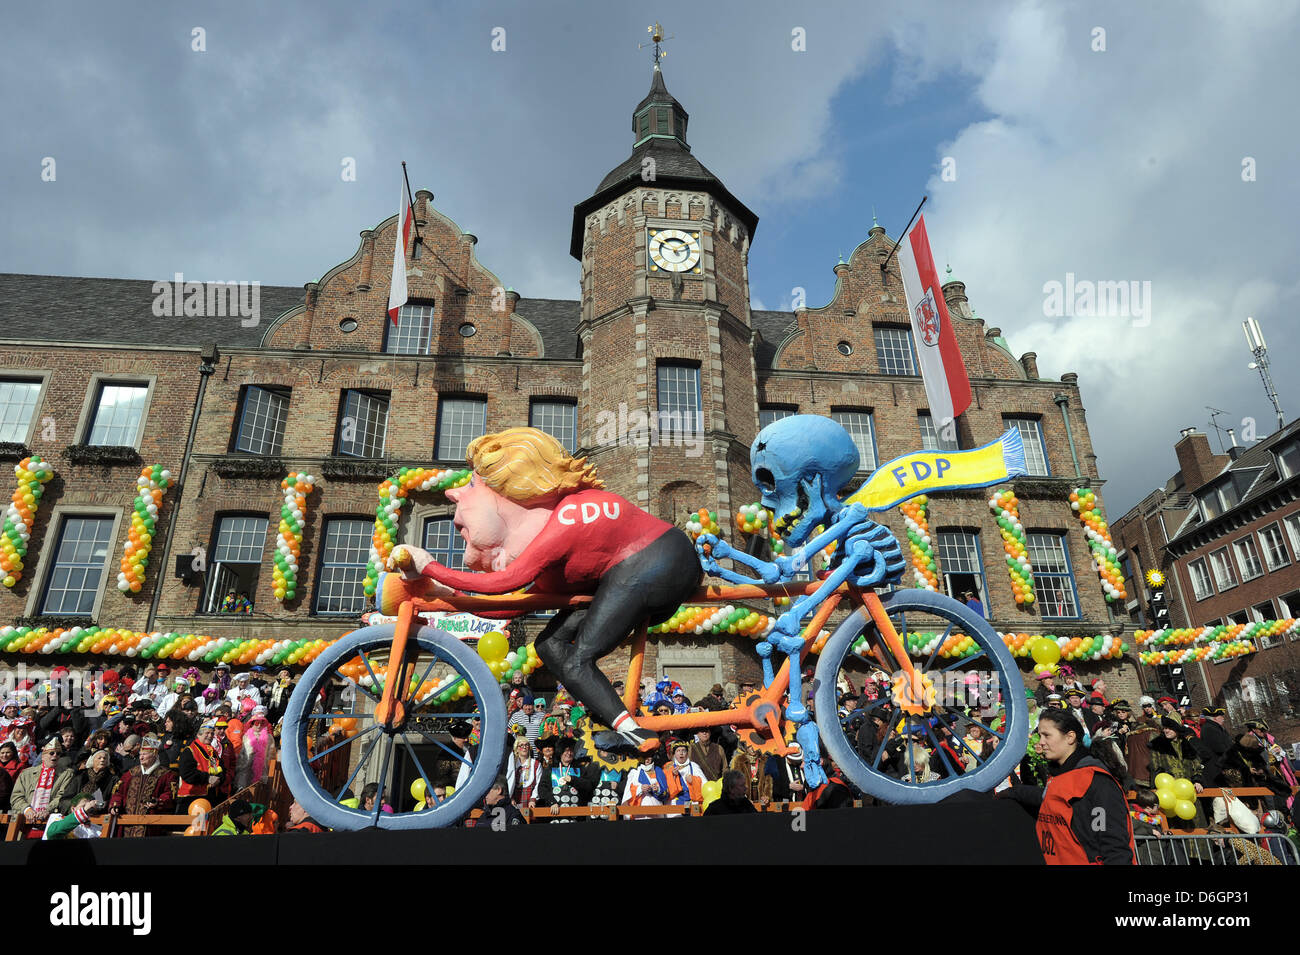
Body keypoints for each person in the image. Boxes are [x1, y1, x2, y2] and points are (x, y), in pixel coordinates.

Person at [390, 426, 702, 753]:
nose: (456, 499)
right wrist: (444, 593)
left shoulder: (569, 515)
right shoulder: (549, 541)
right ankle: (623, 724)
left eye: (472, 483)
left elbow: (505, 583)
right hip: (624, 573)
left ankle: (635, 735)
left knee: (577, 661)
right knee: (549, 645)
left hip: (657, 560)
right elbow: (508, 605)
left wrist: (431, 568)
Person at [999, 708, 1136, 864]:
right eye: (1040, 736)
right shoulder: (1058, 777)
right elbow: (1045, 796)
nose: (1041, 742)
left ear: (1070, 737)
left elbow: (1113, 844)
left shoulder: (1097, 781)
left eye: (1047, 735)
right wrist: (1012, 792)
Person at [107, 736, 178, 837]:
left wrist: (158, 802)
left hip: (151, 827)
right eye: (140, 754)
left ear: (154, 755)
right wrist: (115, 805)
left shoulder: (167, 775)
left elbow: (170, 795)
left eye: (144, 754)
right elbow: (118, 793)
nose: (141, 757)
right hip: (126, 825)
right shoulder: (130, 774)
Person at [9, 740, 76, 838]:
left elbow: (62, 796)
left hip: (51, 825)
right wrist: (27, 809)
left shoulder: (67, 774)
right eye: (51, 753)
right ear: (43, 756)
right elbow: (16, 797)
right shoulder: (26, 773)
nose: (55, 756)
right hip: (25, 826)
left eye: (58, 753)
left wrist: (47, 810)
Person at [177, 719, 226, 811]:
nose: (210, 736)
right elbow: (187, 773)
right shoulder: (189, 750)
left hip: (210, 797)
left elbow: (222, 770)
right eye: (207, 733)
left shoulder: (213, 752)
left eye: (212, 734)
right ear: (199, 734)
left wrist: (219, 779)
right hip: (191, 798)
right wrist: (208, 778)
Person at [62, 748, 116, 813]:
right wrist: (73, 807)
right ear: (92, 760)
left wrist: (100, 805)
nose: (102, 760)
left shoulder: (112, 779)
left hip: (99, 816)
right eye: (99, 758)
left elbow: (112, 801)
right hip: (76, 814)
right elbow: (65, 799)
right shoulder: (80, 777)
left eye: (105, 758)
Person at [236, 705, 277, 789]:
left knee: (259, 793)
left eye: (262, 723)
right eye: (257, 723)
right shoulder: (246, 736)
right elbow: (242, 754)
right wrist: (240, 768)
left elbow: (272, 756)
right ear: (252, 724)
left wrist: (270, 771)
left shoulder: (269, 737)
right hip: (247, 770)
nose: (259, 726)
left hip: (262, 771)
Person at [505, 736, 543, 808]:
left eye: (526, 745)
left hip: (530, 802)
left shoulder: (536, 764)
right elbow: (507, 782)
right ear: (517, 749)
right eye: (521, 745)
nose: (524, 747)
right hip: (514, 801)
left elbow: (538, 783)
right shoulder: (511, 764)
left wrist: (533, 799)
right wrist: (511, 797)